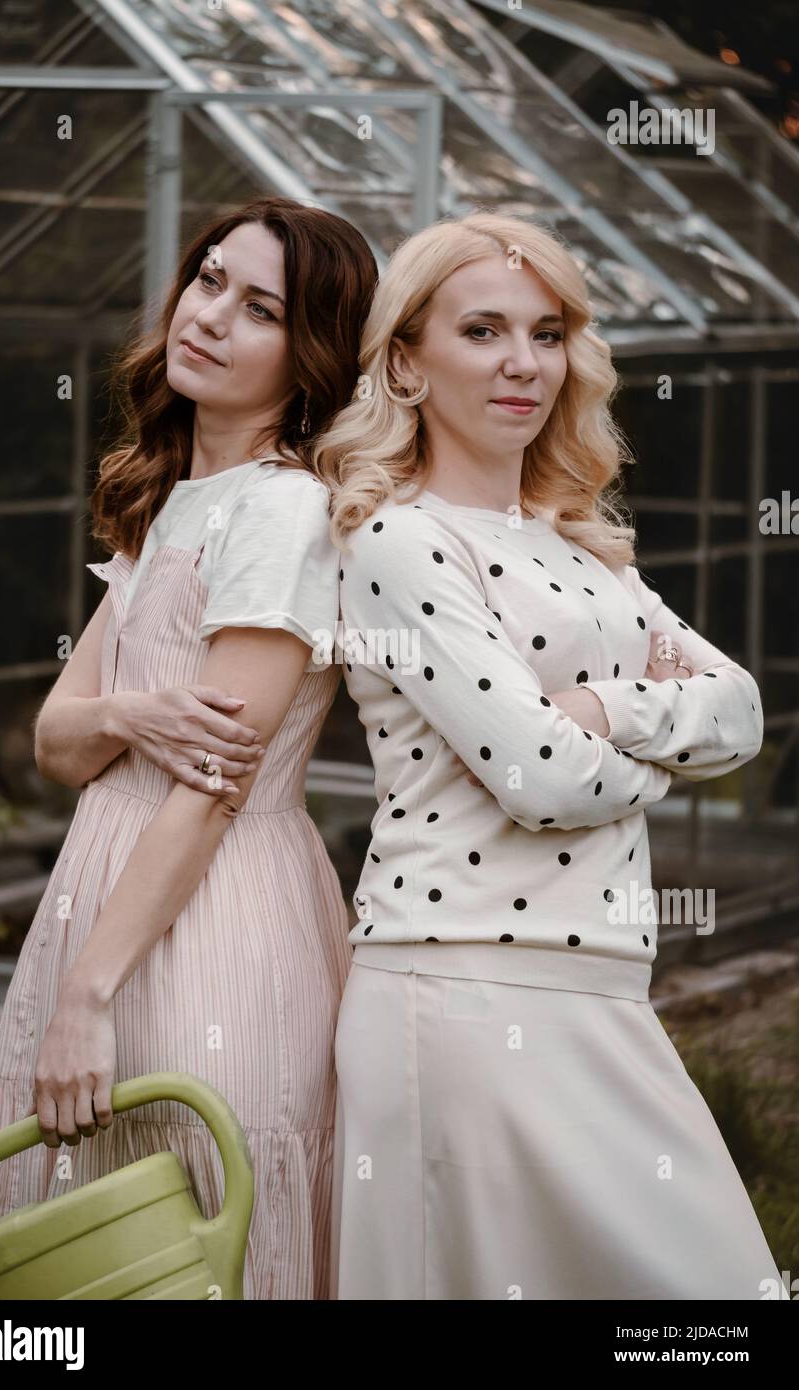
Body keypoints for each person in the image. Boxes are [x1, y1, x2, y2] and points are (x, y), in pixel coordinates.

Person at [313, 211, 784, 1300]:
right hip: (462, 986)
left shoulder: (580, 544)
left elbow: (742, 711)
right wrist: (650, 743)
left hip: (601, 985)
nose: (522, 361)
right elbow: (540, 783)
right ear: (406, 362)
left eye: (545, 330)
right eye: (480, 330)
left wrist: (604, 713)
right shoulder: (396, 540)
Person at [0, 196, 377, 1301]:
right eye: (206, 280)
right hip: (107, 892)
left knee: (191, 1217)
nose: (209, 315)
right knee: (93, 1243)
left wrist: (87, 994)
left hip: (211, 908)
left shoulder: (280, 512)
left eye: (259, 308)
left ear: (312, 353)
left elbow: (210, 789)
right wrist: (129, 715)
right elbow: (56, 740)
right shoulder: (179, 498)